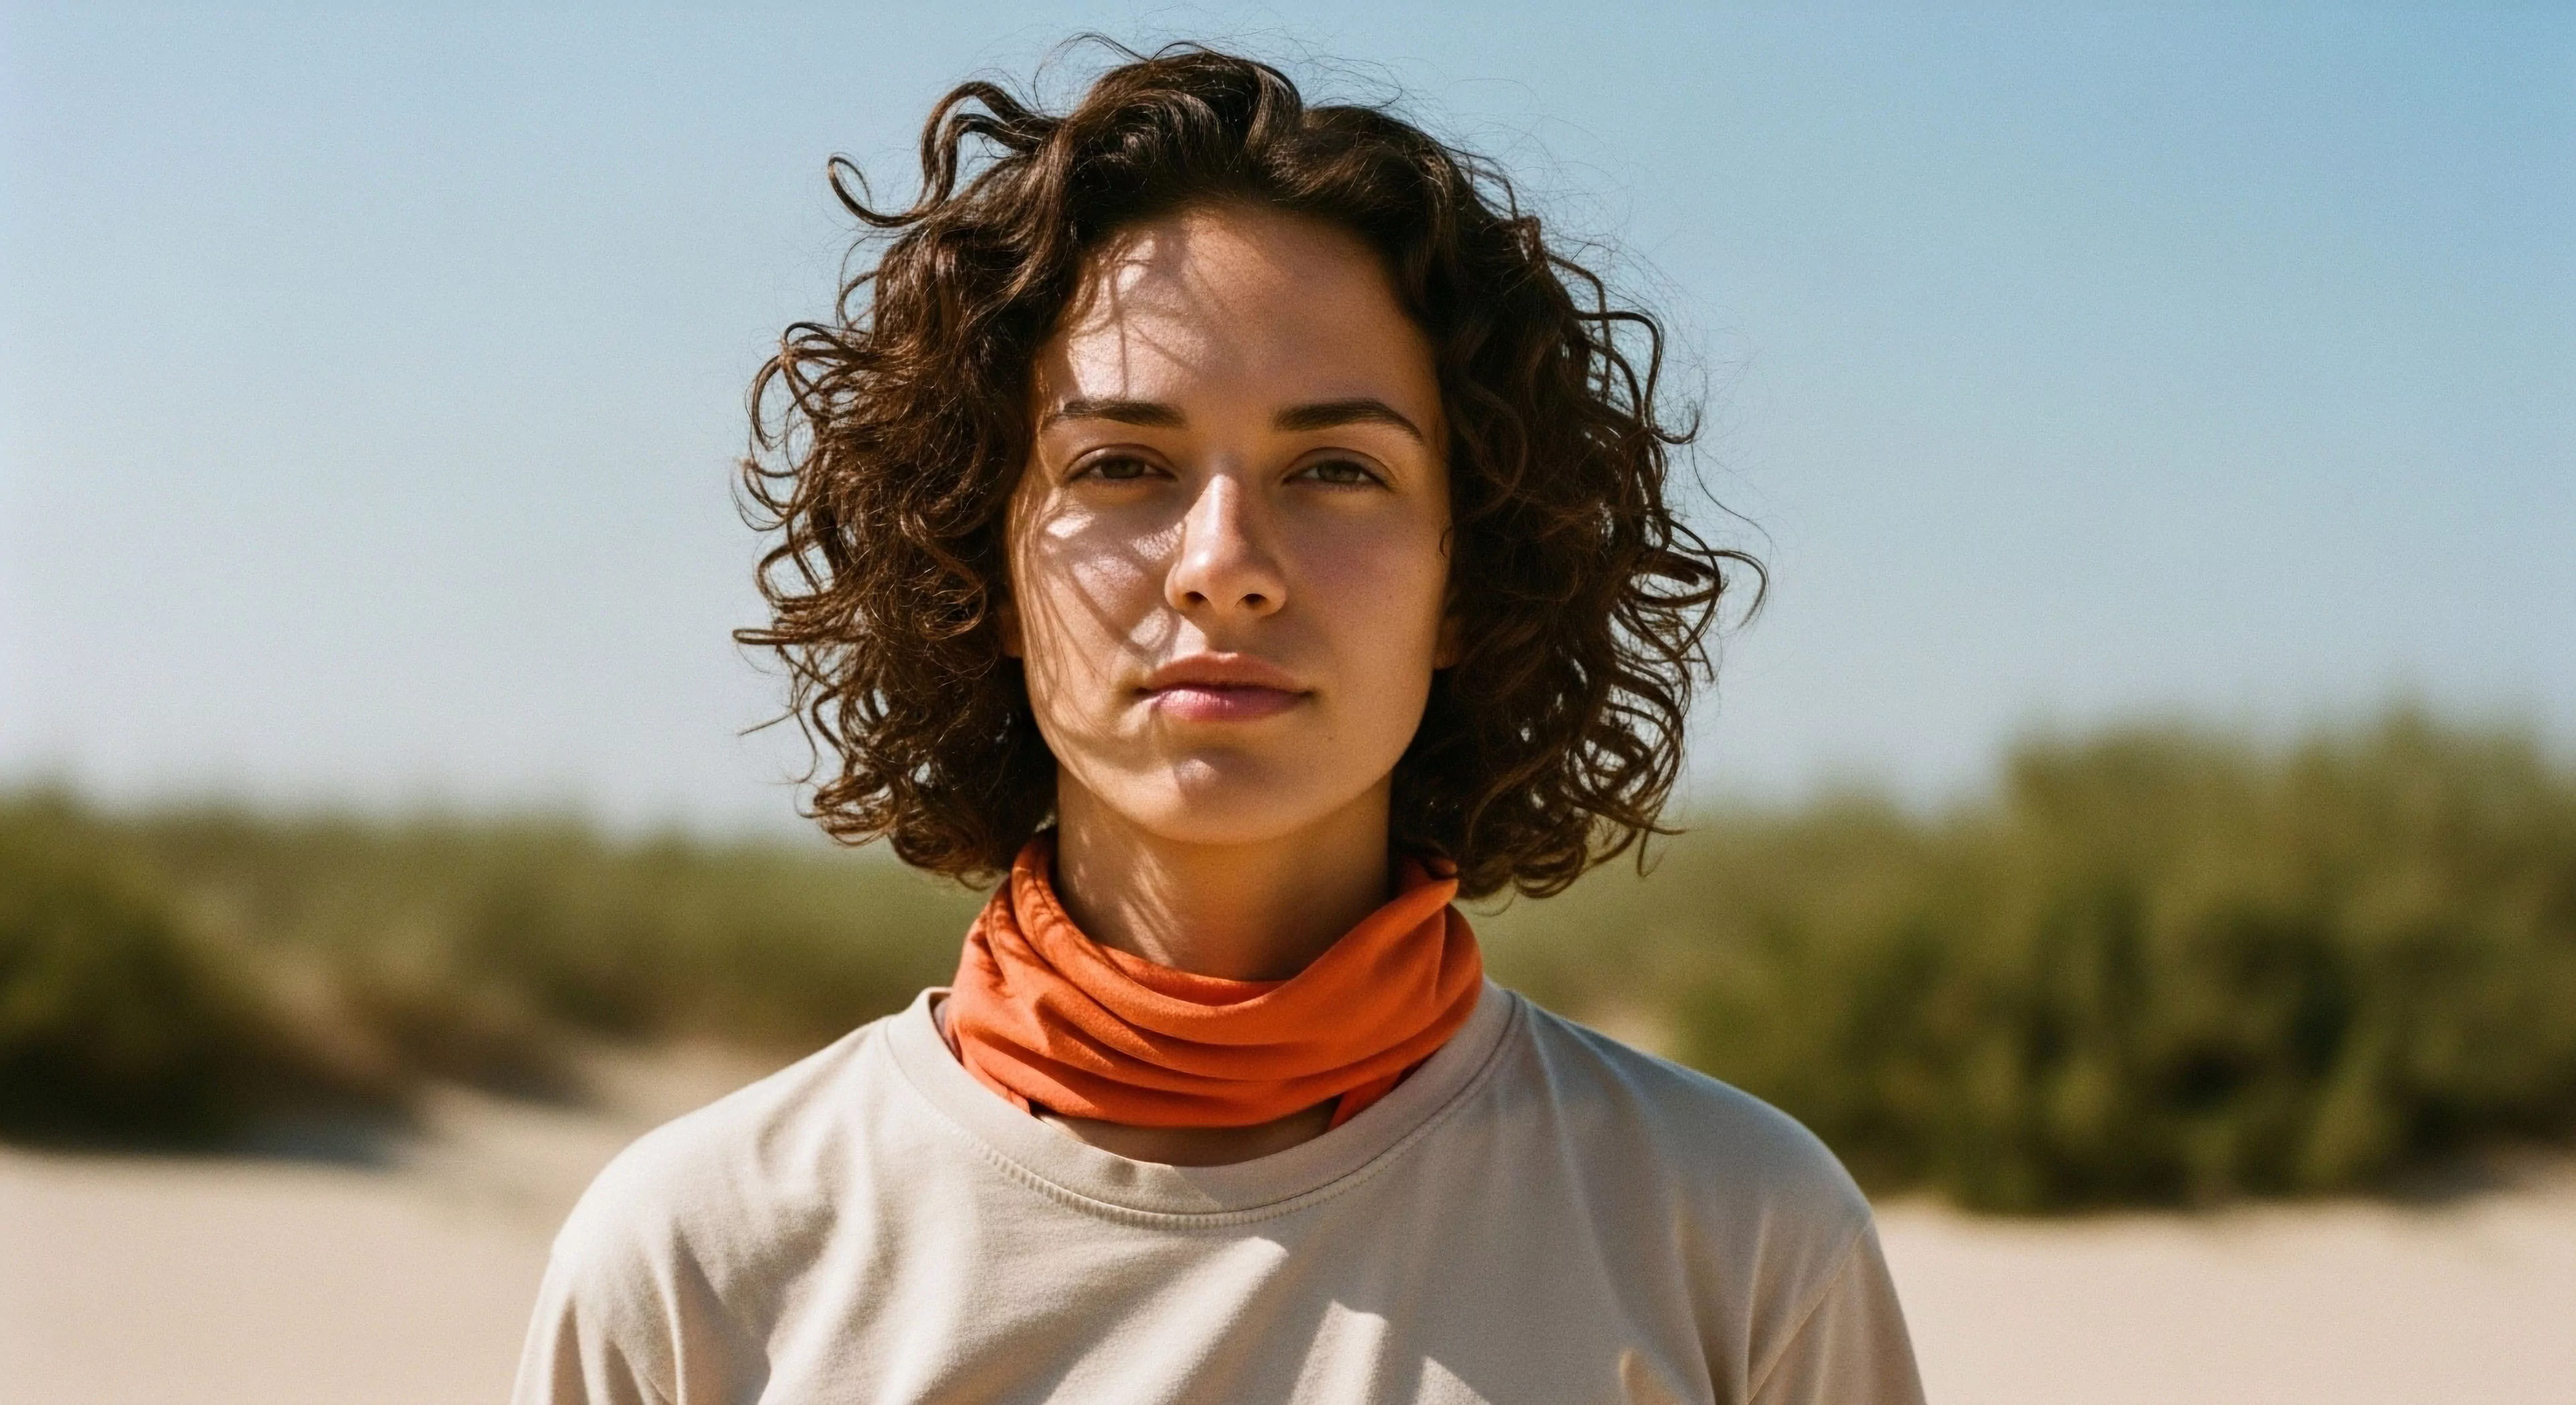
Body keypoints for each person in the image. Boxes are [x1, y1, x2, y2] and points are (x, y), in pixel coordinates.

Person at [515, 43, 1924, 1405]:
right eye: (1121, 464)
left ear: (1465, 574)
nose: (1222, 560)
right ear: (979, 564)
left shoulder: (1735, 1239)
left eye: (1335, 467)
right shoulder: (694, 1263)